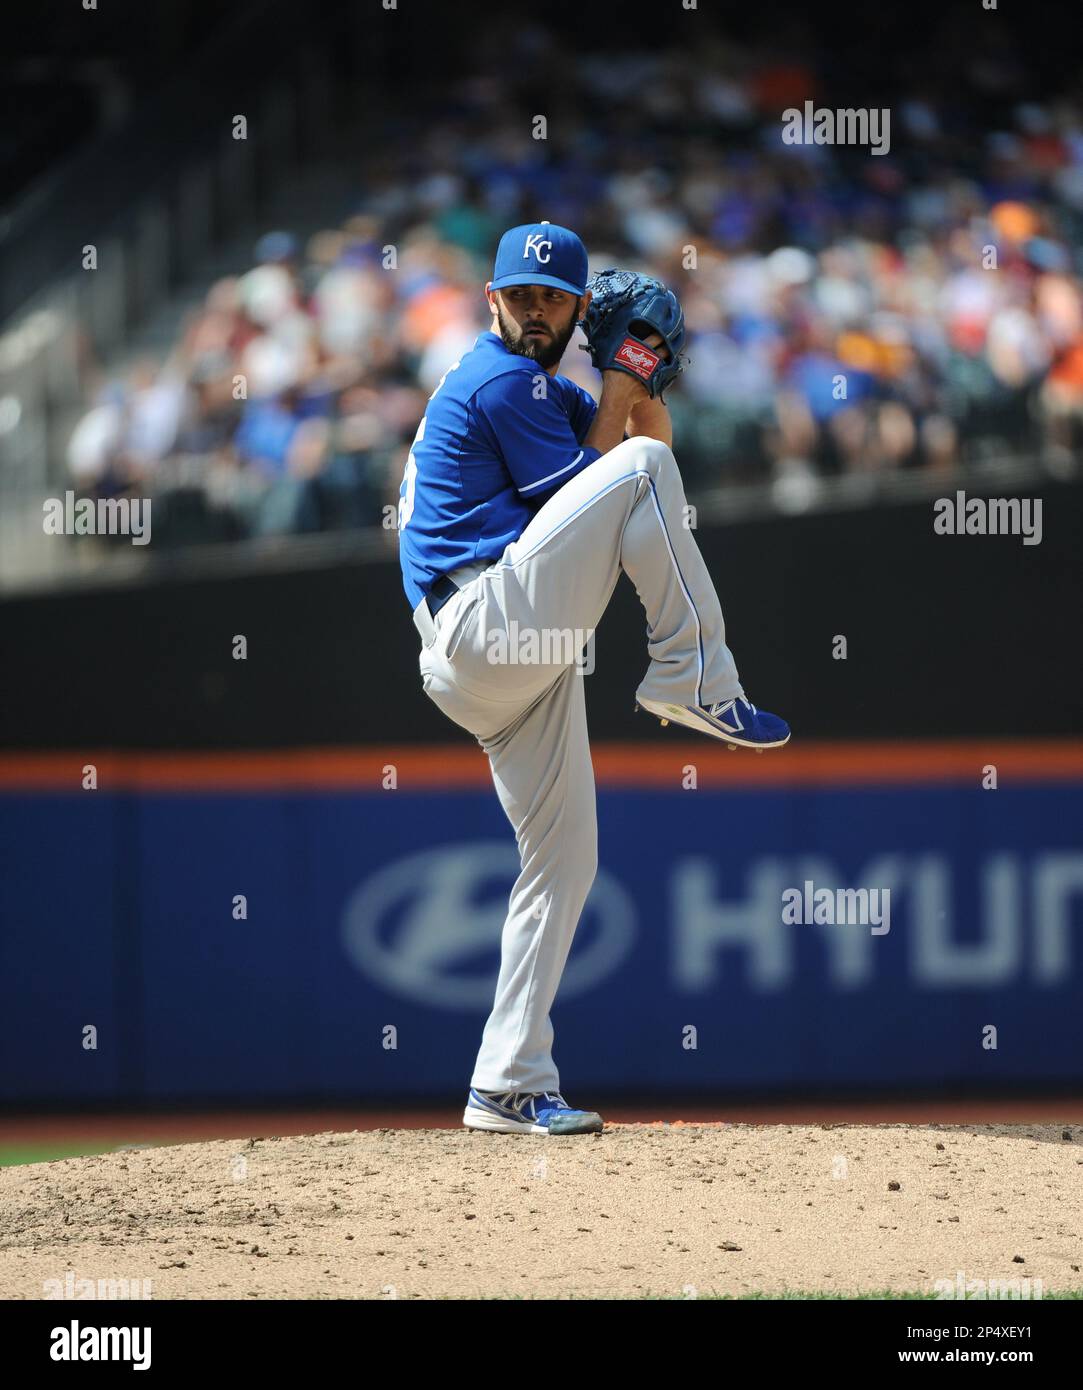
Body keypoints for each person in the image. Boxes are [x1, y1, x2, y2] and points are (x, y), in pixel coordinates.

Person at [397, 222, 789, 1136]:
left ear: (577, 307)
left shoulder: (545, 388)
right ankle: (690, 677)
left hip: (506, 657)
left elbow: (650, 441)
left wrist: (638, 376)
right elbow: (617, 471)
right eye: (518, 295)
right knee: (640, 473)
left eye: (551, 298)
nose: (533, 309)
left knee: (564, 859)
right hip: (486, 622)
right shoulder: (500, 381)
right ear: (490, 300)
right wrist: (616, 380)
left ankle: (506, 1083)